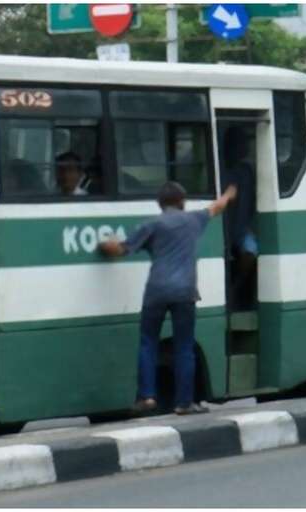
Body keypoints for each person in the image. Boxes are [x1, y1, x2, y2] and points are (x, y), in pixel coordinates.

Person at [99, 181, 238, 415]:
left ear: (159, 203)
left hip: (156, 292)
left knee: (148, 343)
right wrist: (229, 194)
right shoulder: (195, 219)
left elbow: (121, 249)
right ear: (182, 202)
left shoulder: (152, 225)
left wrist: (103, 246)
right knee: (184, 346)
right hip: (185, 293)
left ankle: (147, 396)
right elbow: (217, 207)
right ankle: (184, 403)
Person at [221, 127, 258, 310]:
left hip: (242, 228)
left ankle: (236, 288)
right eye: (241, 143)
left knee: (250, 252)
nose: (246, 147)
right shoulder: (222, 170)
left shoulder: (247, 171)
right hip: (224, 227)